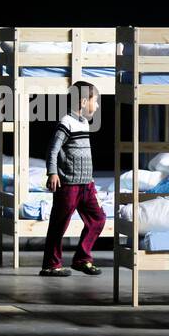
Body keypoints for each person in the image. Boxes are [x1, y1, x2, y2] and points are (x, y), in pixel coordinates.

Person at [39, 81, 106, 276]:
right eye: (96, 101)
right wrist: (52, 172)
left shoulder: (84, 123)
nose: (98, 105)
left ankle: (82, 258)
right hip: (69, 184)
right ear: (84, 101)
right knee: (59, 224)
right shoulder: (66, 122)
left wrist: (91, 179)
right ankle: (51, 264)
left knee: (98, 219)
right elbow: (53, 149)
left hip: (86, 184)